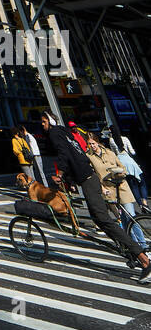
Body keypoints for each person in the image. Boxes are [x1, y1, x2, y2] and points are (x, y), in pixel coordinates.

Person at [40, 115, 150, 280]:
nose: (42, 125)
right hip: (88, 180)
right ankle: (128, 250)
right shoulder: (66, 134)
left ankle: (143, 258)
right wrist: (69, 179)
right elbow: (74, 157)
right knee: (98, 219)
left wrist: (60, 173)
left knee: (103, 218)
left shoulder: (55, 133)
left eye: (44, 122)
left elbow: (64, 155)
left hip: (88, 181)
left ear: (51, 122)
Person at [88, 134, 148, 252]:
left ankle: (142, 244)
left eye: (93, 143)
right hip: (108, 189)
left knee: (130, 215)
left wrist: (121, 173)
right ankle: (132, 244)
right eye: (89, 144)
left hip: (122, 186)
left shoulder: (110, 153)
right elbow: (93, 175)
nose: (91, 146)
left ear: (97, 142)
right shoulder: (89, 157)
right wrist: (101, 187)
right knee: (122, 218)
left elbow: (122, 167)